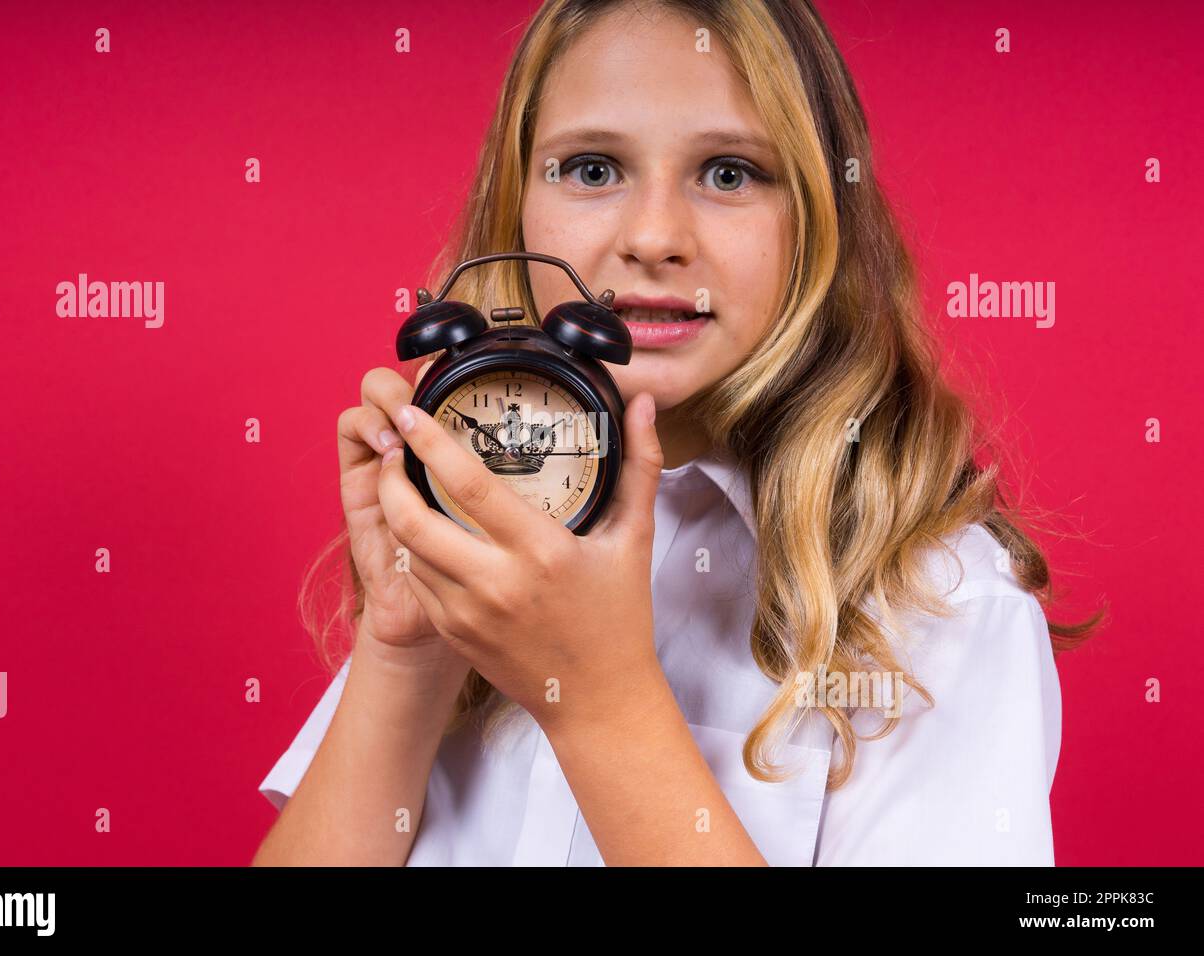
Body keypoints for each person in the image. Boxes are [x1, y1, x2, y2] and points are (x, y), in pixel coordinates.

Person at [251, 0, 1101, 866]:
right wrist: (407, 656)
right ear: (517, 206)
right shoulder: (477, 533)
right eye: (590, 169)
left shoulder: (940, 609)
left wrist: (599, 698)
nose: (654, 238)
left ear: (819, 223)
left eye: (729, 173)